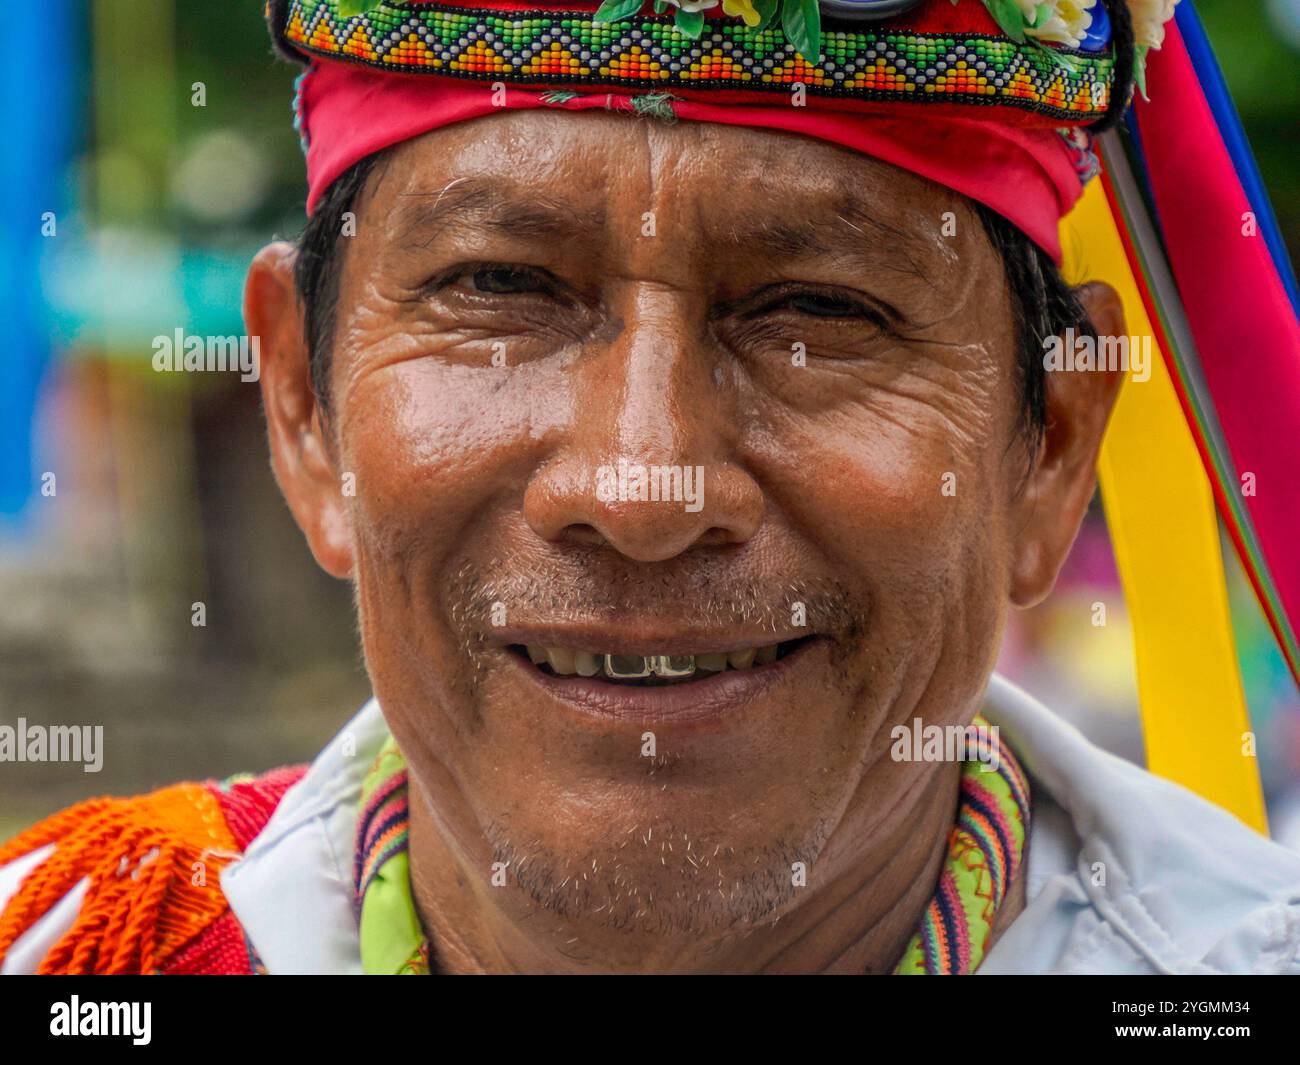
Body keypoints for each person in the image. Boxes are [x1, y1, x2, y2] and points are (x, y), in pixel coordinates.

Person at [2, 0, 1299, 975]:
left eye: (812, 314)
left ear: (1051, 448)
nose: (641, 481)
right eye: (500, 291)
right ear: (301, 402)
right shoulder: (83, 949)